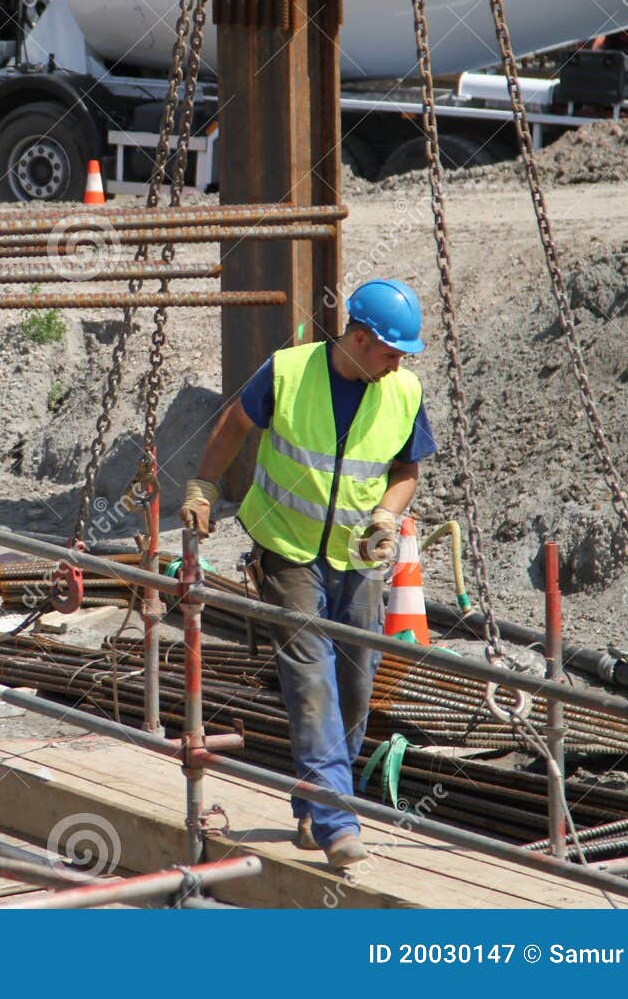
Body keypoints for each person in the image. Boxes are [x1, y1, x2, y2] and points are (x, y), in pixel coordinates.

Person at [180, 279, 437, 870]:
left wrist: (385, 516)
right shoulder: (288, 372)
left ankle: (315, 806)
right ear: (361, 338)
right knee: (311, 678)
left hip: (360, 560)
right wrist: (203, 486)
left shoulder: (403, 390)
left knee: (354, 684)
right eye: (393, 351)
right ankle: (337, 820)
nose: (400, 362)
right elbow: (233, 425)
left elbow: (406, 471)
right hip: (287, 550)